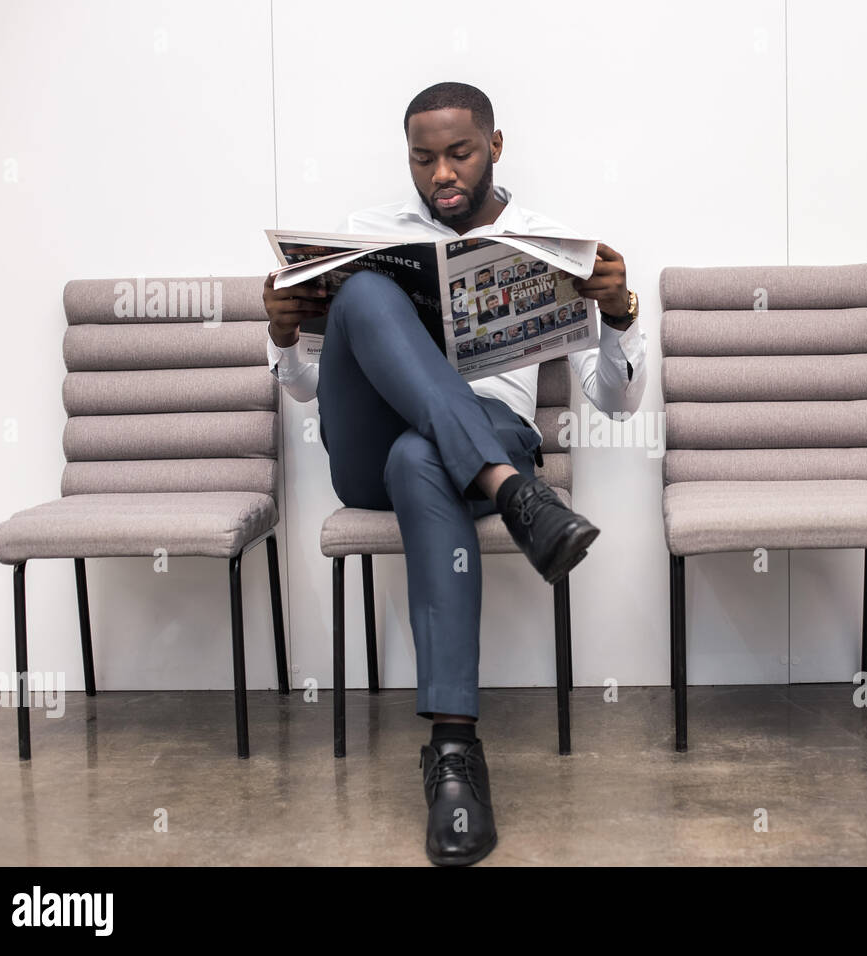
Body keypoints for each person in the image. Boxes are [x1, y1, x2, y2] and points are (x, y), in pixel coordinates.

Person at [262, 81, 646, 867]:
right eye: (423, 158)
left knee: (422, 456)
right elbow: (303, 389)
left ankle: (453, 758)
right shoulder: (369, 234)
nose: (442, 173)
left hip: (476, 436)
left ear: (494, 148)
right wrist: (284, 340)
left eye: (459, 153)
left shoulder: (547, 241)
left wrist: (622, 317)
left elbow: (615, 401)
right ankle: (519, 497)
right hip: (374, 451)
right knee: (368, 291)